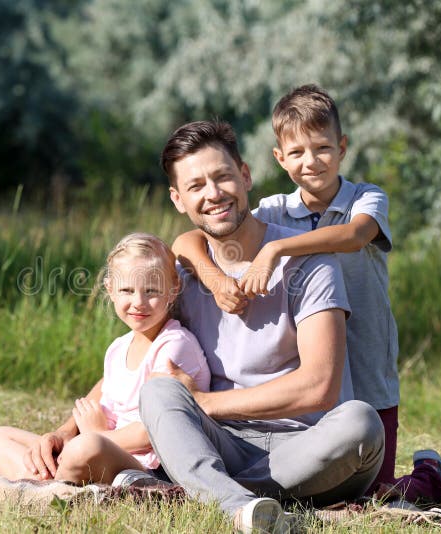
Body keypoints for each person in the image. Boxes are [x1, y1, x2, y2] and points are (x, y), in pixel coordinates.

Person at [171, 84, 441, 505]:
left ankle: (429, 476)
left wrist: (277, 248)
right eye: (297, 152)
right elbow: (186, 241)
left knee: (370, 491)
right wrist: (212, 278)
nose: (311, 161)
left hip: (367, 364)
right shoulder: (273, 209)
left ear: (342, 147)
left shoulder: (366, 198)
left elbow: (354, 237)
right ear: (279, 159)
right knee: (323, 474)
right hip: (310, 357)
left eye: (322, 148)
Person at [139, 119, 385, 533]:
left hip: (309, 447)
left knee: (361, 423)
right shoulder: (184, 273)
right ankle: (239, 507)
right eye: (196, 186)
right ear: (178, 200)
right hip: (222, 442)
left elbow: (319, 386)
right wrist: (71, 429)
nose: (213, 194)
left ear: (246, 175)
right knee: (158, 391)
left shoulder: (311, 263)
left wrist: (208, 403)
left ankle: (199, 488)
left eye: (222, 177)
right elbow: (133, 358)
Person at [0, 233, 210, 485]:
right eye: (126, 290)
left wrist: (97, 435)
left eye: (152, 291)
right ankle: (49, 478)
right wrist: (62, 434)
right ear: (110, 290)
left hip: (148, 466)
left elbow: (154, 430)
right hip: (99, 447)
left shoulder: (175, 345)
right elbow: (104, 390)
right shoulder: (118, 348)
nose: (138, 302)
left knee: (84, 449)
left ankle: (45, 481)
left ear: (174, 287)